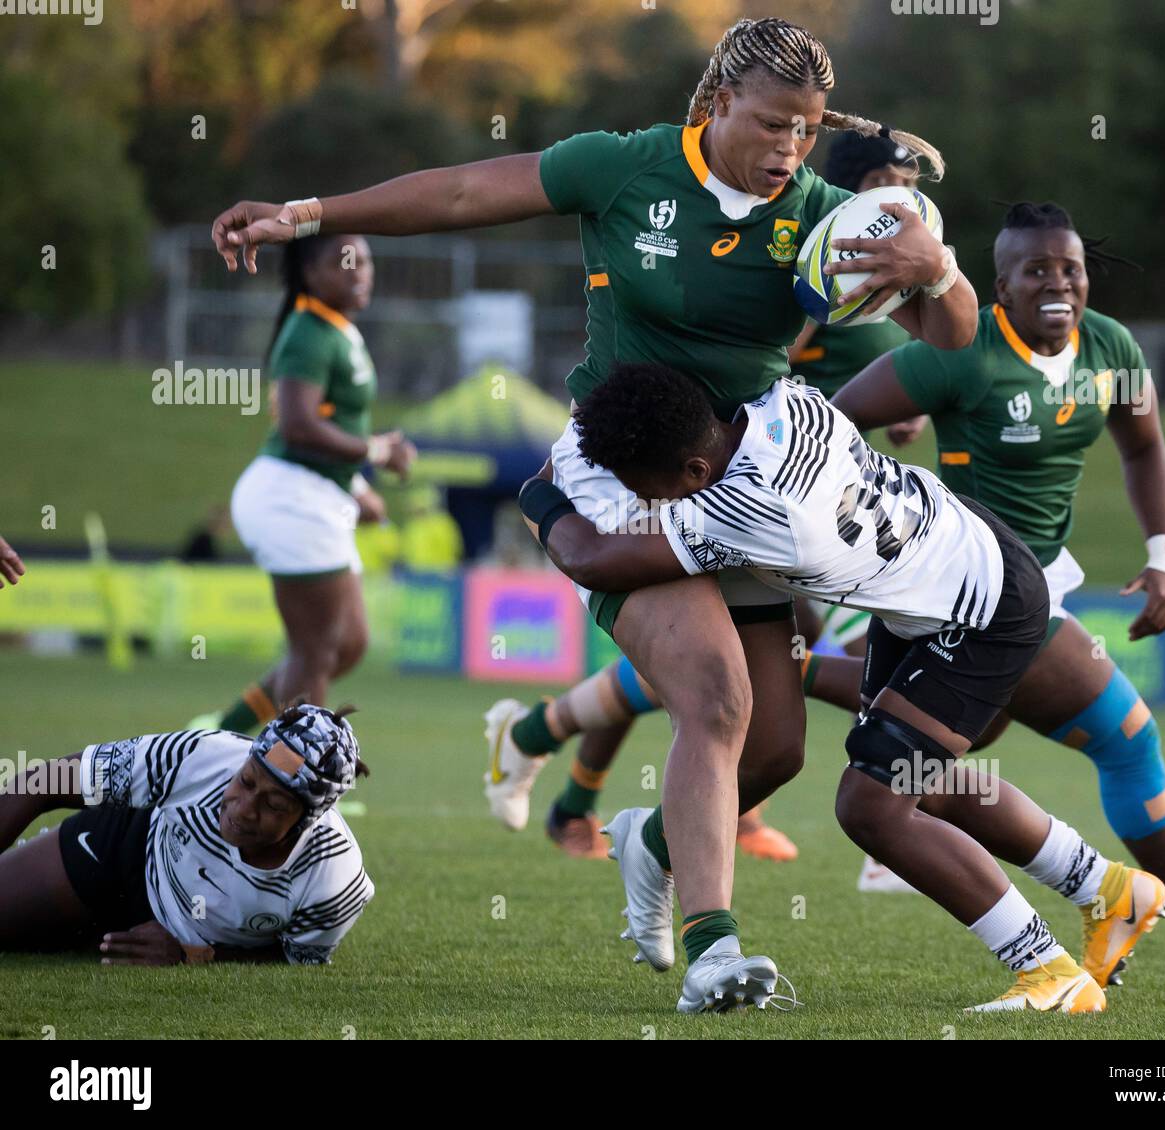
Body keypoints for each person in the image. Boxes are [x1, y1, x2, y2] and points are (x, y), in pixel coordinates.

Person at [211, 16, 978, 1011]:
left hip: (745, 484)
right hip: (618, 475)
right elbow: (456, 191)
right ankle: (714, 952)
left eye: (809, 126)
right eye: (775, 122)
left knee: (777, 748)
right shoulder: (622, 169)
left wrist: (942, 271)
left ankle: (646, 840)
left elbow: (950, 340)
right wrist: (305, 213)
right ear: (714, 105)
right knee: (714, 699)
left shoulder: (830, 215)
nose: (792, 146)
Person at [522, 362, 1165, 1013]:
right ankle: (1105, 888)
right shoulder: (779, 398)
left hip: (981, 613)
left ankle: (1048, 971)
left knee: (873, 805)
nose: (650, 507)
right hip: (940, 568)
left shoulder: (751, 511)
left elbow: (595, 559)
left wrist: (538, 495)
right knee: (921, 778)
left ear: (694, 470)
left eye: (650, 492)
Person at [831, 201, 1165, 959]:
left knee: (929, 775)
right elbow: (834, 423)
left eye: (1070, 268)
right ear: (1001, 288)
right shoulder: (964, 351)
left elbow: (1145, 450)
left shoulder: (1108, 347)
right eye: (1035, 270)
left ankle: (779, 688)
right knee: (1128, 739)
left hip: (1025, 587)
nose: (1058, 282)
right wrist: (874, 520)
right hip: (981, 596)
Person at [481, 129, 930, 864]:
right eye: (888, 184)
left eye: (909, 189)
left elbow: (922, 353)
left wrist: (903, 381)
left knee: (716, 682)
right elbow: (777, 375)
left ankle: (567, 768)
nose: (899, 204)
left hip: (790, 491)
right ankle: (606, 801)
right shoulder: (815, 262)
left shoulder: (872, 274)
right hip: (729, 470)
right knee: (700, 670)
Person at [201, 234, 416, 734]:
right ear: (309, 273)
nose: (360, 271)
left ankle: (219, 734)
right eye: (345, 262)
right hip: (289, 498)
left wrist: (358, 488)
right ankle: (299, 784)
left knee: (347, 645)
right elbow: (297, 426)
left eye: (364, 260)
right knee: (315, 651)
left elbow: (328, 427)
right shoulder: (307, 331)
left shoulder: (338, 328)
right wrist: (378, 452)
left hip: (317, 492)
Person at [0, 705, 373, 965]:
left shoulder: (336, 880)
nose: (243, 809)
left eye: (274, 805)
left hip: (185, 937)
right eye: (245, 781)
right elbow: (40, 782)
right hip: (123, 853)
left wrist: (191, 954)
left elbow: (291, 959)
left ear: (307, 818)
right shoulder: (200, 755)